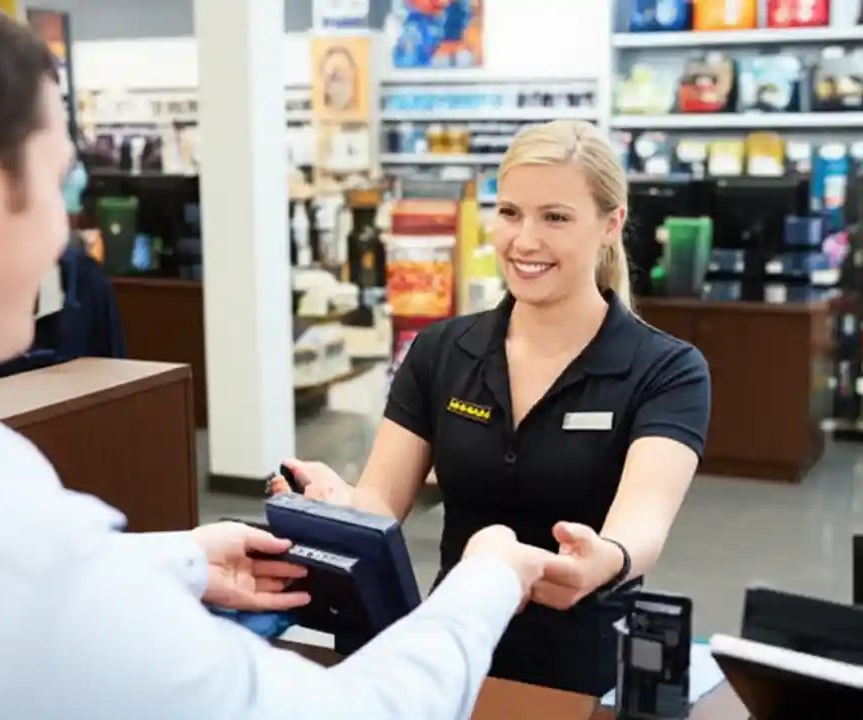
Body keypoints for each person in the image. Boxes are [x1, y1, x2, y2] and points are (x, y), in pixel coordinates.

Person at [0, 3, 555, 718]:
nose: (68, 234)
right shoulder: (9, 548)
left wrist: (167, 561)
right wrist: (483, 581)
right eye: (63, 183)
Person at [272, 120, 711, 697]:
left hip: (588, 674)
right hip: (451, 655)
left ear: (611, 225)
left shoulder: (666, 369)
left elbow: (639, 528)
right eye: (509, 213)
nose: (524, 240)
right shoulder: (441, 351)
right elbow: (380, 504)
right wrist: (334, 509)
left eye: (555, 217)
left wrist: (602, 559)